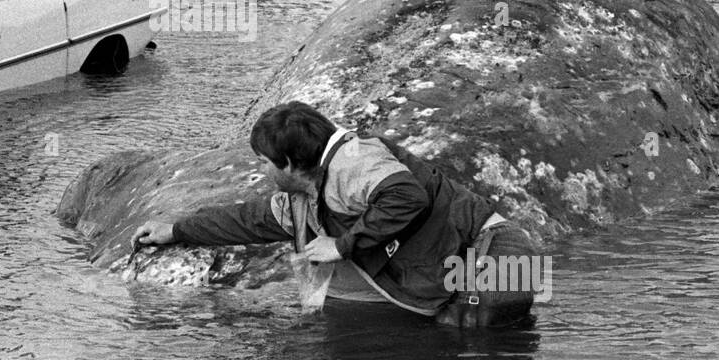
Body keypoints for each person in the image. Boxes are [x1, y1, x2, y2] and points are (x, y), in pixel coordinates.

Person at [132, 101, 539, 327]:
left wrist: (343, 245)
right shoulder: (305, 194)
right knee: (423, 336)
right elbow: (249, 220)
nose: (260, 171)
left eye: (263, 163)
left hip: (502, 256)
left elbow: (406, 195)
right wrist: (176, 230)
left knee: (464, 334)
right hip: (460, 269)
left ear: (289, 162)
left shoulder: (352, 163)